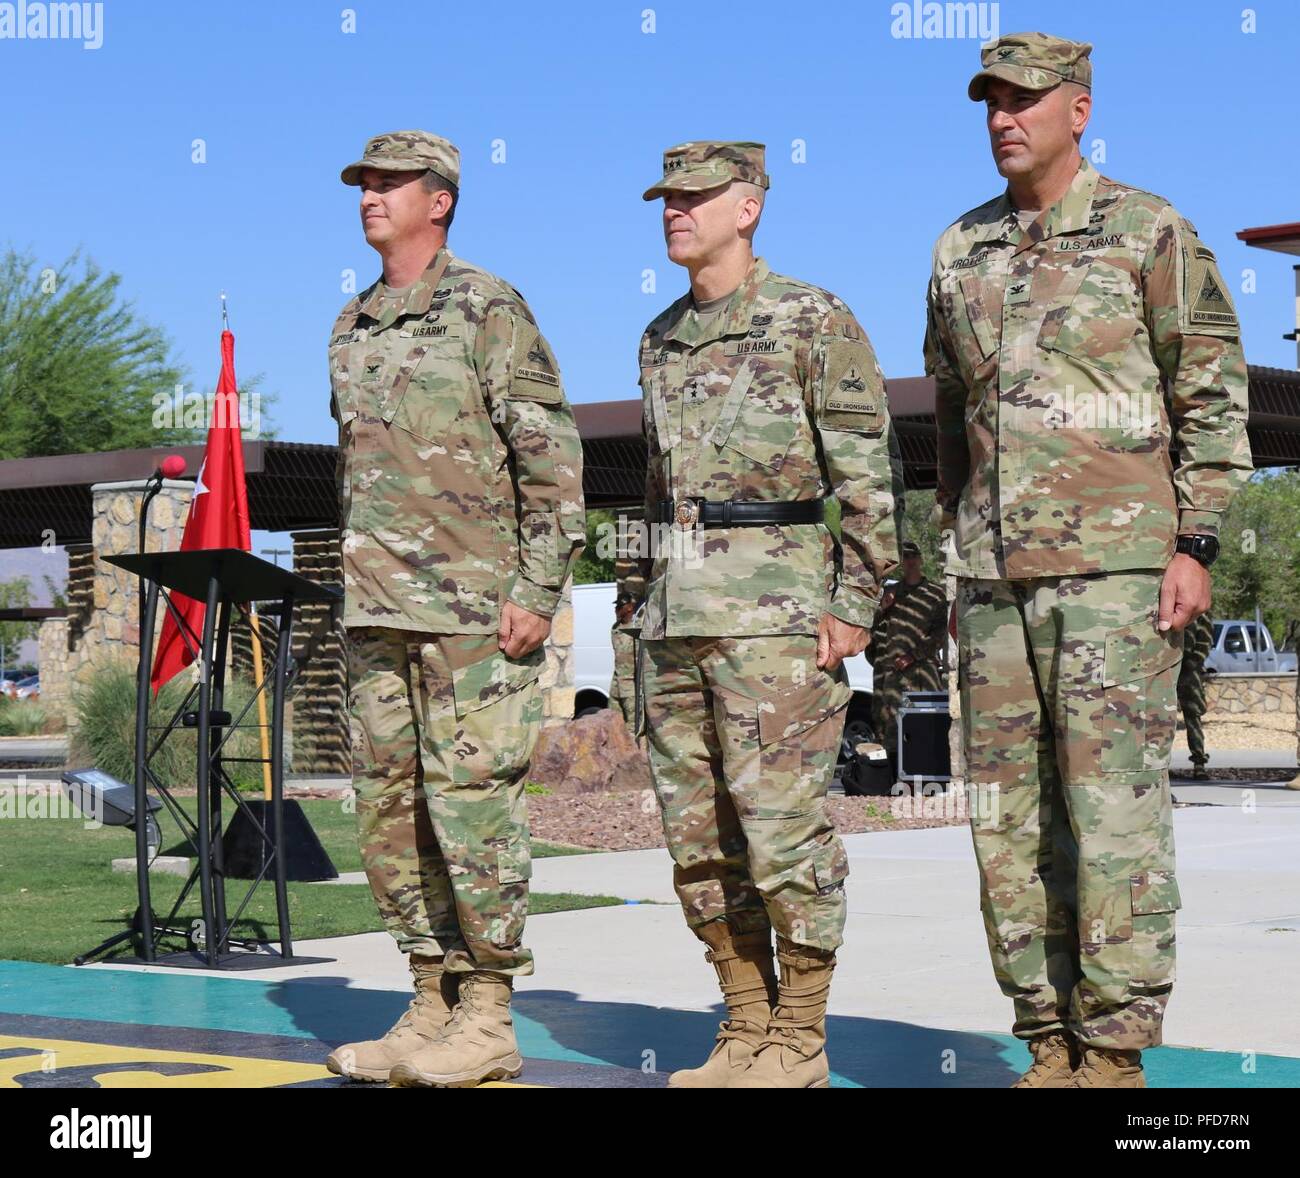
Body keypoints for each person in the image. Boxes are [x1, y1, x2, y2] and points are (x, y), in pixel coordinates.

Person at [924, 34, 1251, 1088]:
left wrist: (1195, 541)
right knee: (1005, 821)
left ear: (1079, 107)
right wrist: (947, 545)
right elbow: (947, 420)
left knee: (1108, 815)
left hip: (1115, 572)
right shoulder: (955, 250)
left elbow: (1208, 394)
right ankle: (1046, 1039)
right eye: (990, 102)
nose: (1002, 118)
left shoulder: (1148, 230)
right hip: (989, 578)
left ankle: (1112, 1050)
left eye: (1023, 100)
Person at [323, 130, 585, 1088]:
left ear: (440, 199)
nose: (369, 197)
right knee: (391, 818)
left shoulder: (487, 306)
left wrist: (537, 589)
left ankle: (490, 1015)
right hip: (376, 610)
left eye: (389, 184)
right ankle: (430, 999)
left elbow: (550, 459)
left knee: (472, 813)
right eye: (364, 184)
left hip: (473, 611)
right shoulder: (351, 324)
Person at [636, 141, 901, 1088]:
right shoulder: (659, 338)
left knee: (783, 831)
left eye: (695, 197)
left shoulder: (810, 317)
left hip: (780, 613)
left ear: (746, 207)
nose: (674, 211)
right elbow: (663, 489)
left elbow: (867, 472)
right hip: (675, 617)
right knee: (698, 837)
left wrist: (858, 601)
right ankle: (744, 1025)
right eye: (666, 198)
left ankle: (802, 1036)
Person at [868, 540, 948, 772]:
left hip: (919, 673)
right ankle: (890, 779)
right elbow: (871, 630)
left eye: (914, 556)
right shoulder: (891, 593)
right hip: (888, 672)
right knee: (885, 724)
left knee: (920, 723)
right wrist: (882, 607)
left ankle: (921, 777)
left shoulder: (933, 594)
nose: (911, 561)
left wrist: (914, 655)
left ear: (921, 559)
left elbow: (940, 633)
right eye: (906, 557)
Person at [607, 553, 644, 732]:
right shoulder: (615, 628)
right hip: (616, 686)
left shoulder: (637, 629)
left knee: (632, 729)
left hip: (631, 688)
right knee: (612, 725)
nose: (616, 610)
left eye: (619, 607)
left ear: (629, 607)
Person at [1177, 611, 1214, 780]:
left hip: (1189, 671)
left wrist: (1194, 661)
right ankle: (1158, 766)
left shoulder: (1198, 610)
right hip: (1165, 668)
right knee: (1159, 718)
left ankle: (1199, 763)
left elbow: (1206, 639)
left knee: (1193, 718)